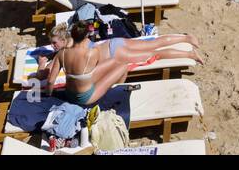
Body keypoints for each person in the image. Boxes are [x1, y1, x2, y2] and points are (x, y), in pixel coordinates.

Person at [38, 20, 204, 106]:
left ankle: (189, 53)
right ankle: (186, 38)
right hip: (113, 43)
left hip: (115, 53)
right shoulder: (78, 41)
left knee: (155, 53)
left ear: (63, 39)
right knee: (152, 43)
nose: (52, 46)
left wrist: (41, 65)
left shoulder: (63, 54)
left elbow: (46, 78)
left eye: (54, 43)